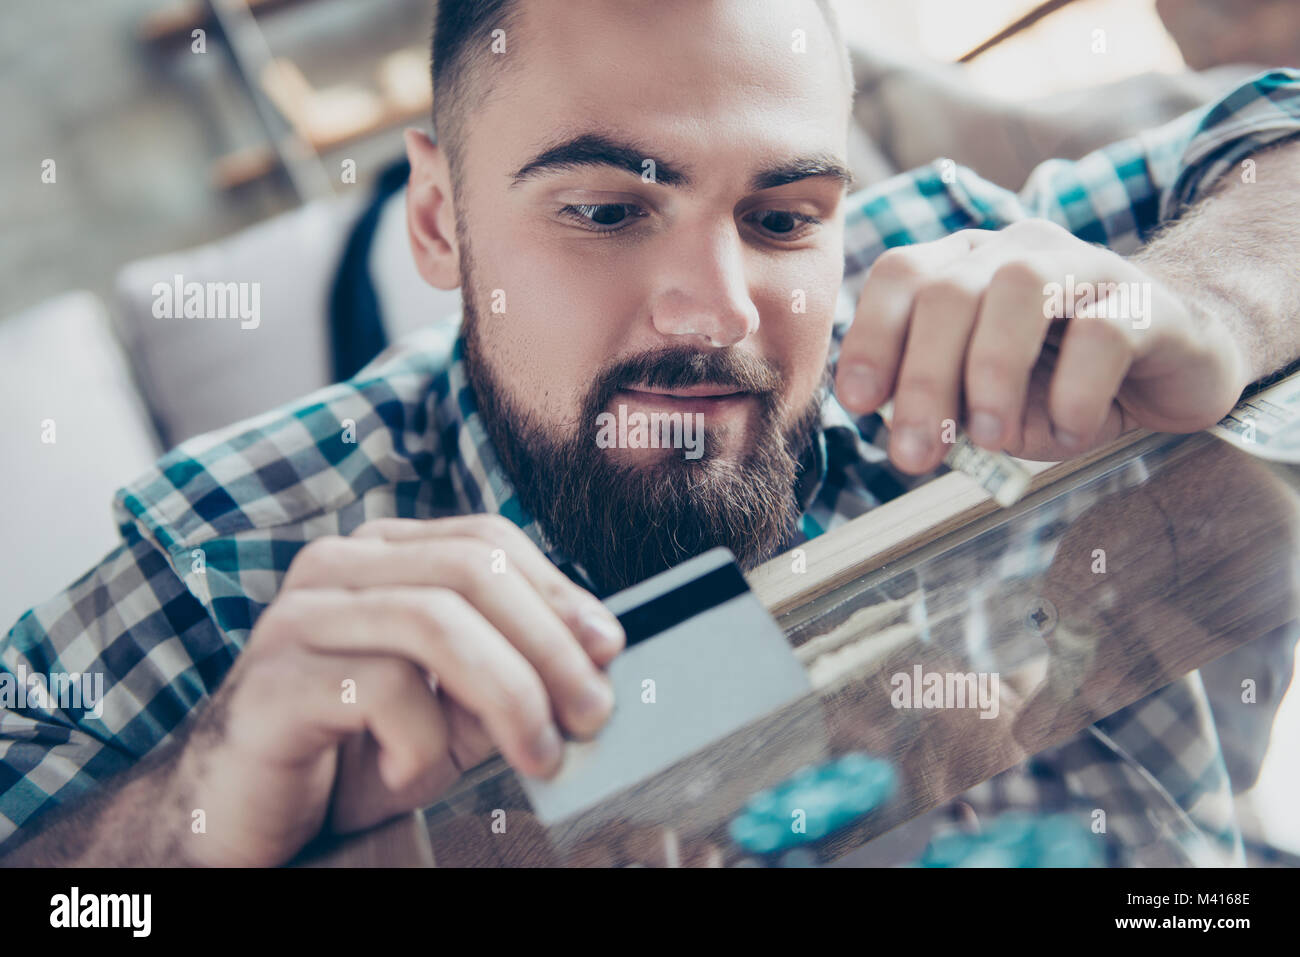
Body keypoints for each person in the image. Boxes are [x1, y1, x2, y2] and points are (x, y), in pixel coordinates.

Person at [3, 0, 1300, 866]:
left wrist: (1209, 295)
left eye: (785, 217)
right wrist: (192, 807)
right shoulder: (226, 557)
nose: (720, 310)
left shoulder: (952, 290)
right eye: (610, 211)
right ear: (442, 221)